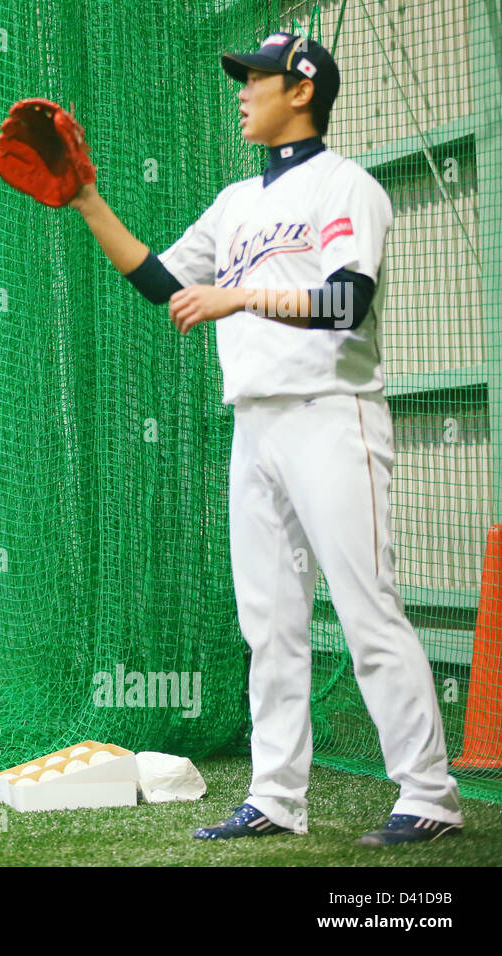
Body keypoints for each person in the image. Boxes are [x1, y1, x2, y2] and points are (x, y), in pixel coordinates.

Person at [63, 34, 462, 845]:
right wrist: (88, 200)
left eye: (257, 77)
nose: (243, 90)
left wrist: (235, 296)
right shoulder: (236, 201)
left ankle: (428, 795)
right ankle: (276, 795)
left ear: (303, 89)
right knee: (269, 623)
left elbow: (348, 299)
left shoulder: (346, 184)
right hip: (255, 424)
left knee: (366, 609)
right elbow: (165, 286)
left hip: (332, 412)